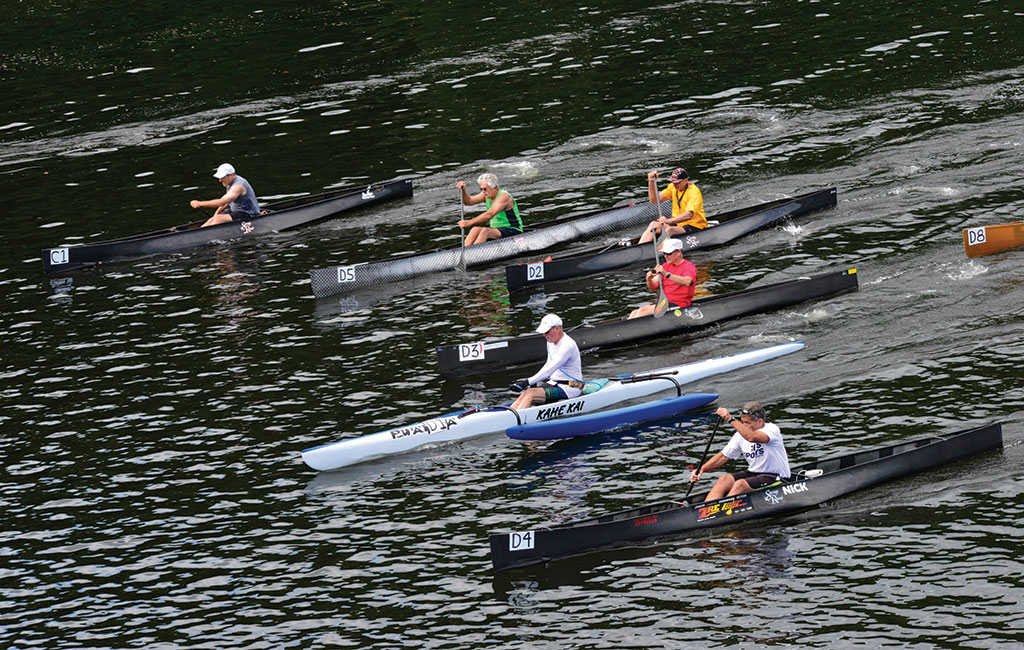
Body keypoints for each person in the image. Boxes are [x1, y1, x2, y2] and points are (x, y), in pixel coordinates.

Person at [689, 402, 792, 502]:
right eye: (743, 422)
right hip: (754, 473)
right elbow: (723, 457)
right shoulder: (740, 435)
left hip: (776, 476)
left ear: (760, 421)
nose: (744, 425)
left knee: (740, 484)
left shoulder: (771, 429)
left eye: (747, 423)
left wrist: (730, 419)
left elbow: (752, 437)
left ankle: (721, 511)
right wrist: (702, 469)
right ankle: (705, 511)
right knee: (724, 479)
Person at [509, 314, 584, 410]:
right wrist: (532, 383)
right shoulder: (550, 343)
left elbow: (550, 370)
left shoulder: (567, 345)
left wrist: (525, 382)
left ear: (557, 328)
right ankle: (507, 413)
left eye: (546, 332)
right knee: (526, 393)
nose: (544, 335)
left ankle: (515, 418)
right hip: (554, 383)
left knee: (531, 394)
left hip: (572, 386)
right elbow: (548, 364)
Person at [627, 237, 696, 319]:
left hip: (680, 304)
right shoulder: (665, 266)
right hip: (664, 303)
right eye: (664, 253)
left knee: (643, 311)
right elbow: (652, 286)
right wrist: (649, 279)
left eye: (669, 253)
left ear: (678, 252)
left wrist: (667, 274)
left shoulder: (688, 266)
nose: (666, 256)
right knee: (635, 312)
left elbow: (687, 281)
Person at [638, 167, 706, 244]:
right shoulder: (672, 187)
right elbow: (654, 200)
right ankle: (640, 248)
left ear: (686, 180)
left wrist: (668, 220)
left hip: (695, 226)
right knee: (654, 225)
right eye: (673, 182)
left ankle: (661, 250)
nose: (675, 185)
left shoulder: (694, 192)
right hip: (678, 224)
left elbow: (689, 215)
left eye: (678, 182)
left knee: (670, 230)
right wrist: (651, 182)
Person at [455, 173, 524, 245]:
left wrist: (469, 222)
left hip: (512, 230)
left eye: (485, 189)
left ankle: (473, 254)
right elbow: (468, 201)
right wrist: (462, 191)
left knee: (485, 231)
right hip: (497, 230)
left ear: (494, 187)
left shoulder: (504, 196)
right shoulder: (486, 194)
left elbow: (489, 214)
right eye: (481, 189)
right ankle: (465, 253)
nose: (483, 192)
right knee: (474, 229)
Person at [191, 163, 260, 227]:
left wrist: (200, 203)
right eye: (219, 178)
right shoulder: (229, 182)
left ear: (232, 175)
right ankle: (197, 232)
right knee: (214, 218)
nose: (220, 180)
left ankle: (205, 234)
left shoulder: (238, 186)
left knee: (219, 219)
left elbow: (222, 201)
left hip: (250, 215)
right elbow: (225, 203)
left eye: (223, 177)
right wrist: (215, 214)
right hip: (237, 211)